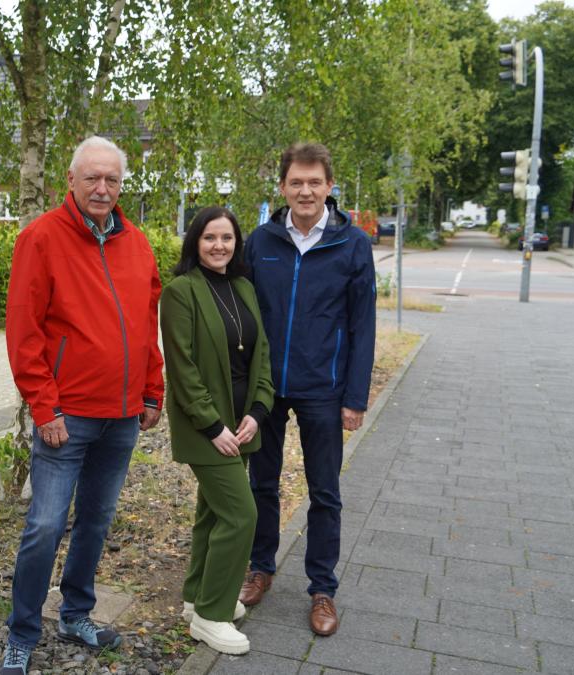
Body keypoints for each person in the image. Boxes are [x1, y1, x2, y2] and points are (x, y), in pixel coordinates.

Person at [0, 135, 165, 675]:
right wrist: (44, 410)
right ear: (70, 180)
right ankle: (21, 634)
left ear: (121, 185)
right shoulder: (41, 239)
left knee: (95, 520)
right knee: (45, 526)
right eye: (92, 177)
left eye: (111, 179)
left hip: (121, 419)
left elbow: (145, 326)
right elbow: (23, 334)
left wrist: (152, 390)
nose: (102, 188)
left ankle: (75, 613)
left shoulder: (137, 245)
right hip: (65, 421)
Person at [240, 143, 375, 637]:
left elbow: (363, 325)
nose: (305, 190)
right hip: (267, 388)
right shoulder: (261, 241)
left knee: (325, 492)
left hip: (324, 387)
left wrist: (355, 398)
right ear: (282, 187)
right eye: (296, 182)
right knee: (262, 483)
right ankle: (261, 567)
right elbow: (245, 317)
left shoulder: (352, 245)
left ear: (329, 187)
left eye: (315, 182)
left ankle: (322, 588)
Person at [160, 206, 274, 655]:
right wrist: (212, 425)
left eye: (227, 238)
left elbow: (260, 353)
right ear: (195, 242)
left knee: (213, 511)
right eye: (210, 237)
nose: (219, 246)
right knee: (241, 515)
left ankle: (195, 598)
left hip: (242, 423)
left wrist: (259, 410)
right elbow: (183, 369)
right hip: (204, 426)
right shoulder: (180, 292)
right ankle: (212, 615)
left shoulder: (243, 286)